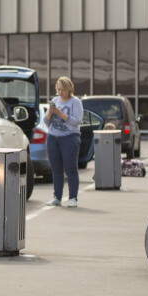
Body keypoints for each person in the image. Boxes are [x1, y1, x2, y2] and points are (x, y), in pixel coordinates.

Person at [44, 77, 83, 208]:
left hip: (69, 137)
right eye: (58, 89)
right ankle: (57, 197)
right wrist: (50, 112)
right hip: (53, 136)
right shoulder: (54, 101)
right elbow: (46, 122)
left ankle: (73, 197)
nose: (60, 92)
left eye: (63, 90)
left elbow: (76, 121)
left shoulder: (75, 102)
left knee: (71, 168)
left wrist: (60, 113)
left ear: (69, 89)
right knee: (56, 169)